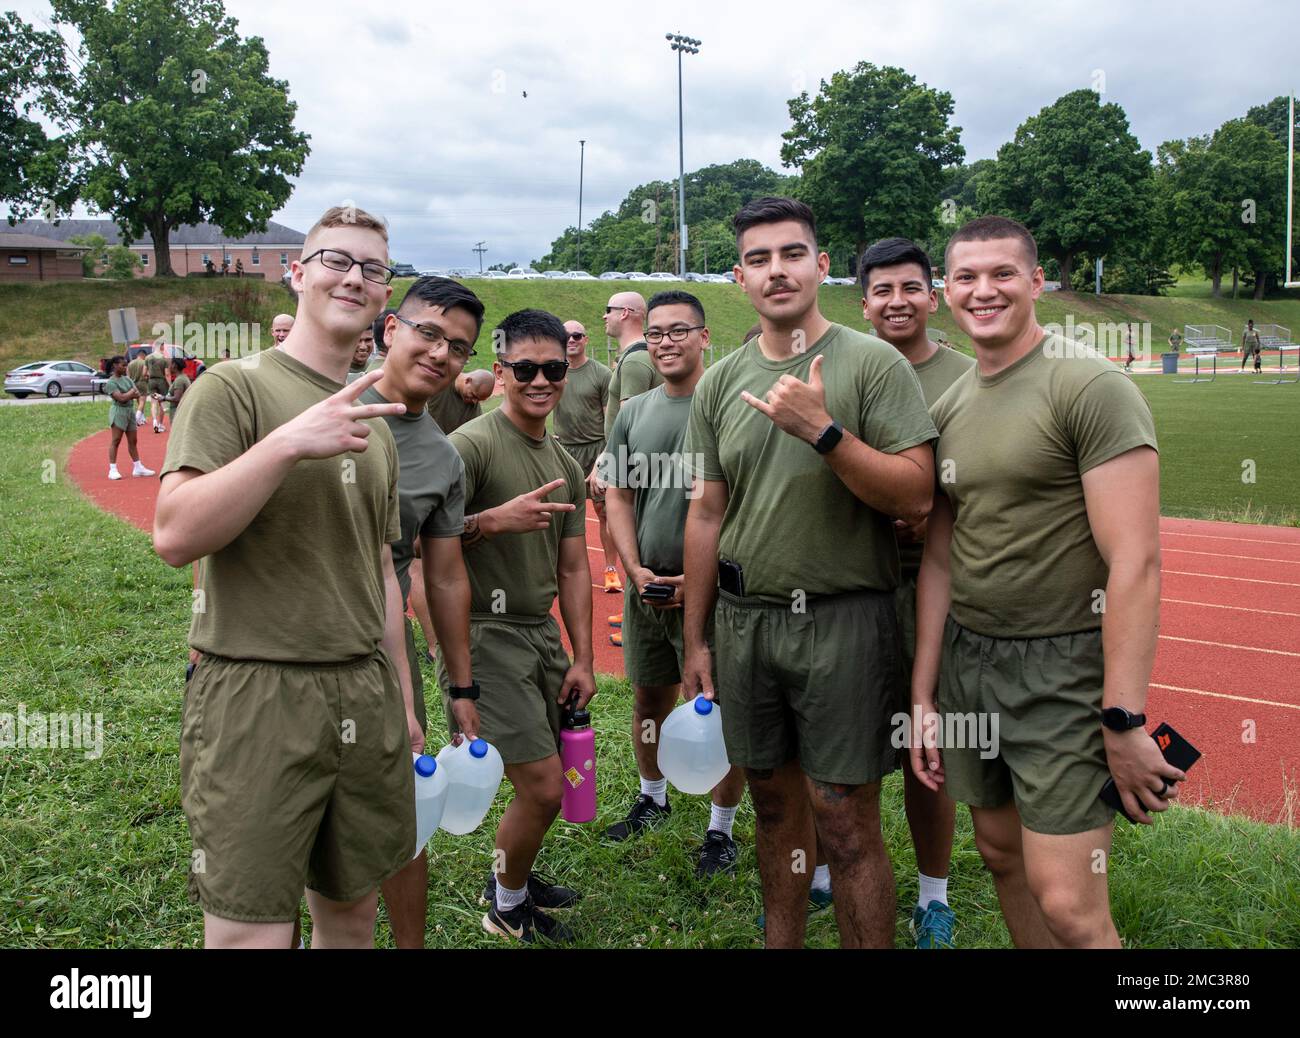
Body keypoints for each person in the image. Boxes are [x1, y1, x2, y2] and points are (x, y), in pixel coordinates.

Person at [154, 205, 417, 950]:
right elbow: (174, 534)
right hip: (256, 691)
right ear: (297, 274)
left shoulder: (374, 422)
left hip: (362, 689)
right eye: (336, 259)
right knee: (251, 935)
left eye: (373, 269)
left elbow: (378, 567)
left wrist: (399, 690)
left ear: (382, 298)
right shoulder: (232, 388)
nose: (354, 278)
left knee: (352, 913)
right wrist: (286, 445)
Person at [912, 215, 1178, 949]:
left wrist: (1122, 720)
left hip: (1063, 672)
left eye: (1002, 273)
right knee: (1001, 857)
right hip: (972, 662)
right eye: (966, 276)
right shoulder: (950, 403)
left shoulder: (1090, 386)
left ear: (1036, 281)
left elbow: (1136, 562)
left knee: (1069, 905)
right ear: (947, 291)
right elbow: (939, 557)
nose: (983, 290)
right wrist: (924, 693)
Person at [682, 197, 937, 949]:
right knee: (771, 807)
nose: (776, 270)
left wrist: (824, 433)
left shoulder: (873, 362)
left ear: (821, 265)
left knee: (845, 819)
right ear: (739, 277)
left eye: (792, 253)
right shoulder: (721, 381)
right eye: (758, 259)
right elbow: (705, 515)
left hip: (844, 619)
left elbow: (918, 493)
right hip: (746, 623)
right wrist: (696, 640)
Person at [438, 308, 595, 944]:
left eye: (552, 368)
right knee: (544, 787)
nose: (539, 380)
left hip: (540, 634)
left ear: (566, 370)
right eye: (524, 368)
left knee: (556, 770)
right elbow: (429, 552)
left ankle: (514, 879)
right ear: (500, 372)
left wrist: (584, 657)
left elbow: (575, 567)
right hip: (484, 633)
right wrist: (486, 522)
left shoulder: (564, 461)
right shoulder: (469, 448)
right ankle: (505, 903)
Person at [600, 290, 747, 876]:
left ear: (704, 337)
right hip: (647, 588)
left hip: (713, 592)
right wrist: (633, 568)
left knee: (717, 707)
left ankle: (721, 828)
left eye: (679, 331)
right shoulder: (635, 411)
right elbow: (616, 491)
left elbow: (745, 504)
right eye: (656, 332)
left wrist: (700, 578)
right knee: (648, 699)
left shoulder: (733, 404)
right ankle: (652, 796)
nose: (665, 341)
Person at [361, 275, 484, 948]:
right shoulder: (327, 409)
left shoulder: (441, 457)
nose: (441, 354)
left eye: (459, 347)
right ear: (390, 331)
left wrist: (460, 687)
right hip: (289, 645)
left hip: (387, 658)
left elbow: (444, 579)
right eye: (429, 332)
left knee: (400, 813)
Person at [859, 236, 975, 948]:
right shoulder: (842, 368)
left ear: (931, 296)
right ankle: (823, 873)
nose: (897, 302)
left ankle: (933, 895)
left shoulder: (967, 377)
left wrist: (930, 516)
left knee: (927, 751)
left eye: (911, 288)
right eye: (883, 290)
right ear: (863, 301)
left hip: (937, 595)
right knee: (839, 750)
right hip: (846, 592)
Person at [599, 291, 657, 621]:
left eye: (608, 310)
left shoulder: (635, 359)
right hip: (640, 467)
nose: (603, 316)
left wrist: (607, 465)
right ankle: (635, 613)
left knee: (635, 543)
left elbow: (630, 421)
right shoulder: (635, 356)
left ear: (625, 313)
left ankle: (639, 618)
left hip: (635, 469)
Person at [554, 320, 618, 599]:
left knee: (606, 513)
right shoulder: (554, 372)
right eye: (566, 336)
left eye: (577, 335)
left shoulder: (602, 374)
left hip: (597, 450)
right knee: (560, 513)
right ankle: (560, 569)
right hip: (564, 450)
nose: (571, 340)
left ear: (586, 339)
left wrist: (603, 459)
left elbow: (611, 421)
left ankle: (610, 568)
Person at [105, 355, 155, 480]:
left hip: (129, 411)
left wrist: (128, 394)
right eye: (123, 365)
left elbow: (137, 393)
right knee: (116, 440)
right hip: (118, 412)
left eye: (126, 365)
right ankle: (112, 469)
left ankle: (138, 467)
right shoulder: (111, 382)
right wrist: (130, 394)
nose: (125, 367)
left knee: (133, 440)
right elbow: (120, 398)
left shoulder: (127, 379)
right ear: (115, 366)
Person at [426, 369, 494, 433]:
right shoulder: (439, 382)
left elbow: (476, 429)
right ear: (467, 381)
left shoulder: (472, 400)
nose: (475, 402)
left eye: (478, 400)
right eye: (474, 396)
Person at [153, 357, 192, 421]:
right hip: (180, 411)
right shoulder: (182, 378)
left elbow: (177, 398)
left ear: (174, 366)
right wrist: (162, 397)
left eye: (170, 364)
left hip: (178, 413)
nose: (168, 367)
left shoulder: (179, 380)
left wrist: (163, 398)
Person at [146, 344, 170, 432]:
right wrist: (170, 385)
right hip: (162, 382)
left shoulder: (148, 358)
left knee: (154, 402)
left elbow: (144, 372)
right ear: (161, 347)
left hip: (151, 381)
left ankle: (155, 421)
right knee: (162, 403)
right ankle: (160, 424)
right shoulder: (164, 358)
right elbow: (167, 374)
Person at [127, 351, 149, 427]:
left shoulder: (130, 363)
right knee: (142, 401)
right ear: (143, 355)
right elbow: (147, 373)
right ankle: (137, 418)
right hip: (142, 383)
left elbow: (128, 376)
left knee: (138, 401)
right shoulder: (144, 363)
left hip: (133, 384)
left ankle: (141, 418)